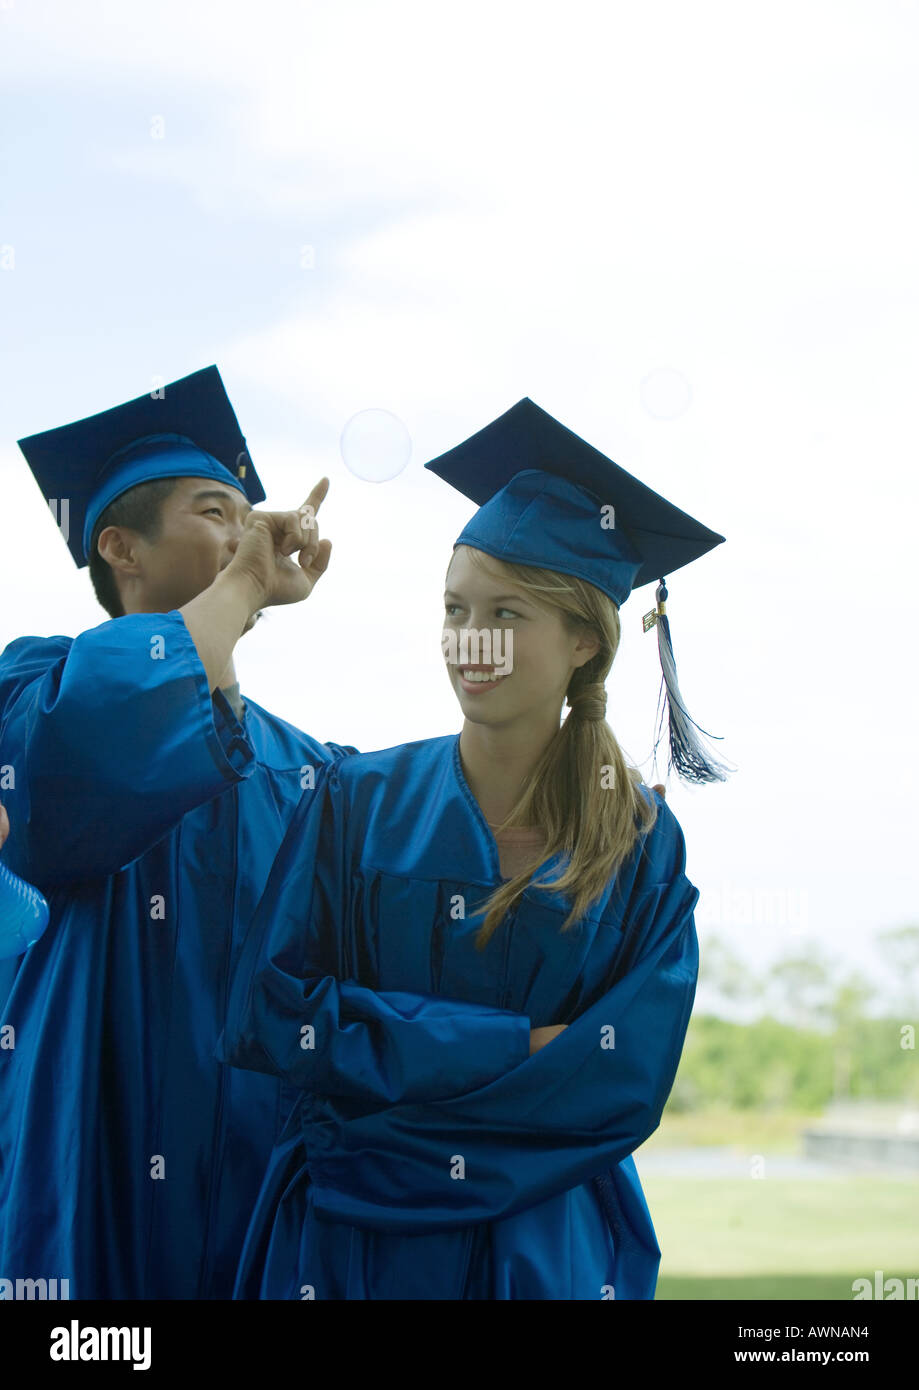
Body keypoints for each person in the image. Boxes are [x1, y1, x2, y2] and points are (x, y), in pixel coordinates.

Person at [217, 397, 729, 1300]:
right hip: (348, 1244)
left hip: (539, 1244)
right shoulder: (356, 801)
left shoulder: (639, 843)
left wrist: (377, 1099)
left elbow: (620, 1076)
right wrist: (515, 1047)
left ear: (583, 640)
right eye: (455, 610)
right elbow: (270, 1013)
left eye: (507, 612)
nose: (470, 640)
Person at [0, 366, 357, 1298]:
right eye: (215, 513)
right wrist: (239, 591)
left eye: (248, 516)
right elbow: (70, 783)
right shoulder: (32, 691)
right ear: (120, 546)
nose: (247, 535)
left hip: (258, 1157)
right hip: (93, 1130)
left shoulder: (312, 769)